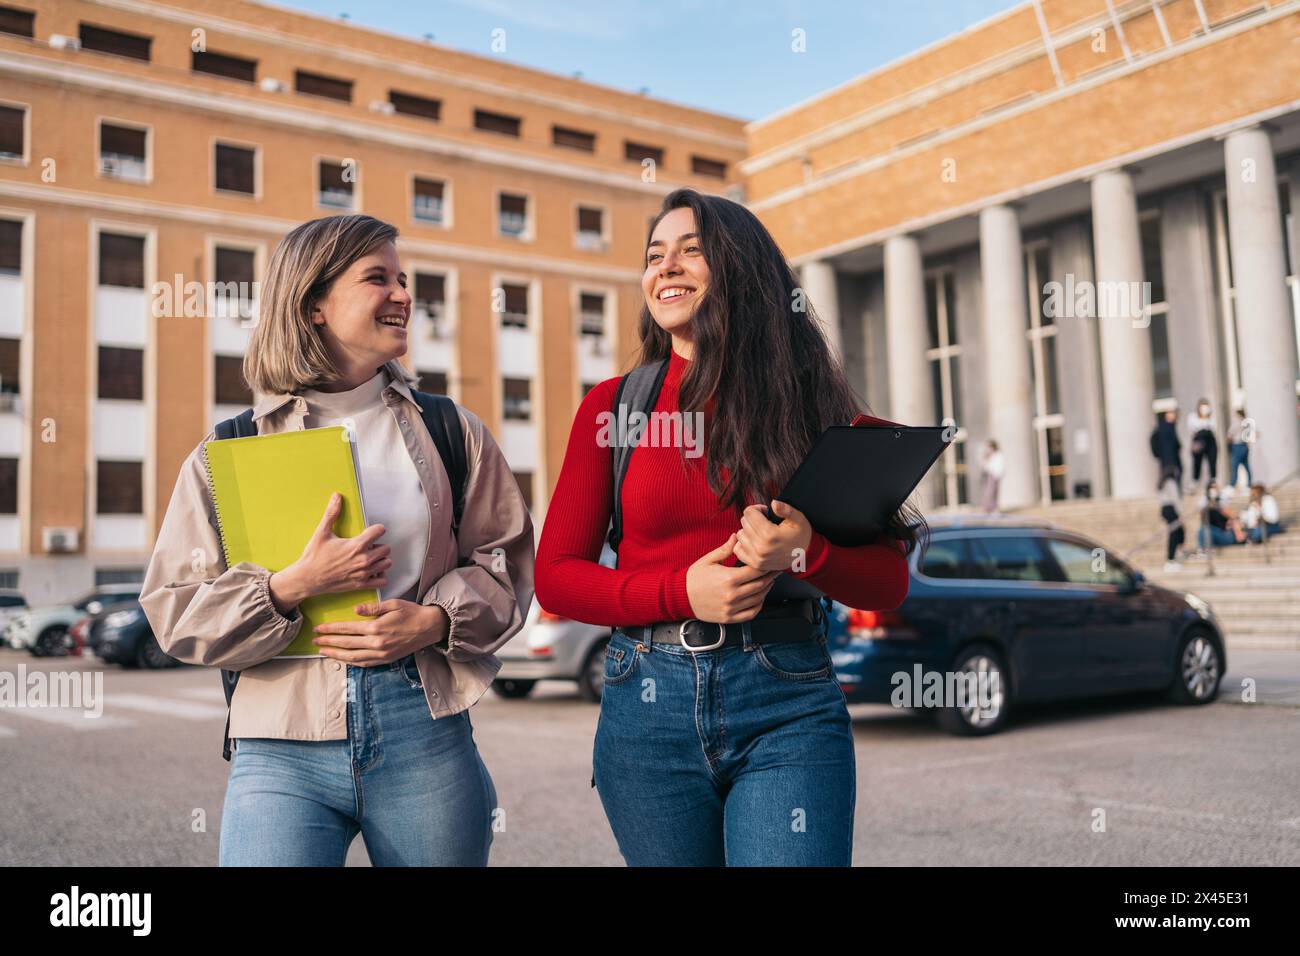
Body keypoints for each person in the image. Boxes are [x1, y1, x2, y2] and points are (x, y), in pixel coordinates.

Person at [534, 188, 919, 867]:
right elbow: (557, 578)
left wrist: (808, 551)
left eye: (691, 251)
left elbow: (887, 584)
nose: (666, 268)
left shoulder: (814, 405)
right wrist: (681, 592)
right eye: (655, 256)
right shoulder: (611, 407)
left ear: (741, 269)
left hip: (787, 704)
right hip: (645, 706)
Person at [140, 214, 535, 866]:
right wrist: (289, 587)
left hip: (423, 731)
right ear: (313, 304)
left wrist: (435, 621)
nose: (403, 295)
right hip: (279, 744)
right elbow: (173, 606)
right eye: (378, 278)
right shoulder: (231, 447)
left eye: (403, 279)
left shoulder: (451, 431)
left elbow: (507, 565)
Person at [1196, 481, 1245, 550]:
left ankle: (1204, 550)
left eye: (1215, 488)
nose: (1213, 490)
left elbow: (1232, 516)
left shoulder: (1222, 501)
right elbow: (1202, 518)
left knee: (1204, 531)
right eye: (1211, 488)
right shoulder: (1205, 503)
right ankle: (1204, 550)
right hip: (1211, 533)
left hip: (1223, 534)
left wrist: (1218, 506)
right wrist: (1209, 505)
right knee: (1203, 530)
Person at [1185, 398, 1218, 486]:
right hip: (1199, 440)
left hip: (1210, 440)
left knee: (1212, 460)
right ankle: (1195, 481)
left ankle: (1213, 480)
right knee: (1197, 462)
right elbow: (1191, 430)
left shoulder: (1212, 418)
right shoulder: (1193, 417)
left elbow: (1214, 429)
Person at [1149, 408, 1182, 492]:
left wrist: (1157, 454)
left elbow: (1153, 441)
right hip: (1172, 459)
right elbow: (1176, 443)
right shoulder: (1169, 426)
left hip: (1164, 459)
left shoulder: (1158, 428)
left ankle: (1164, 488)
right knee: (1173, 475)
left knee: (1167, 475)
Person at [1158, 466, 1184, 571]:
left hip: (1164, 509)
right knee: (1174, 533)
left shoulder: (1162, 483)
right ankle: (1171, 559)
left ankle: (1176, 554)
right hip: (1171, 508)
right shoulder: (1171, 482)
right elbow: (1175, 498)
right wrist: (1181, 513)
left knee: (1177, 532)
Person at [1226, 408, 1254, 489]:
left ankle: (1233, 484)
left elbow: (1229, 435)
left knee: (1235, 466)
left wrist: (1228, 444)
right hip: (1244, 446)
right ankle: (1249, 483)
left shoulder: (1236, 422)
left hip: (1237, 445)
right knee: (1246, 466)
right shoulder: (1247, 423)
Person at [979, 439, 1004, 514]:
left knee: (992, 493)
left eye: (989, 447)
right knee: (988, 493)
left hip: (994, 475)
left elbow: (998, 466)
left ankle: (993, 509)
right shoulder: (988, 456)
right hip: (988, 475)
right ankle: (988, 509)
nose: (988, 449)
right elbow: (983, 465)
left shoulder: (998, 455)